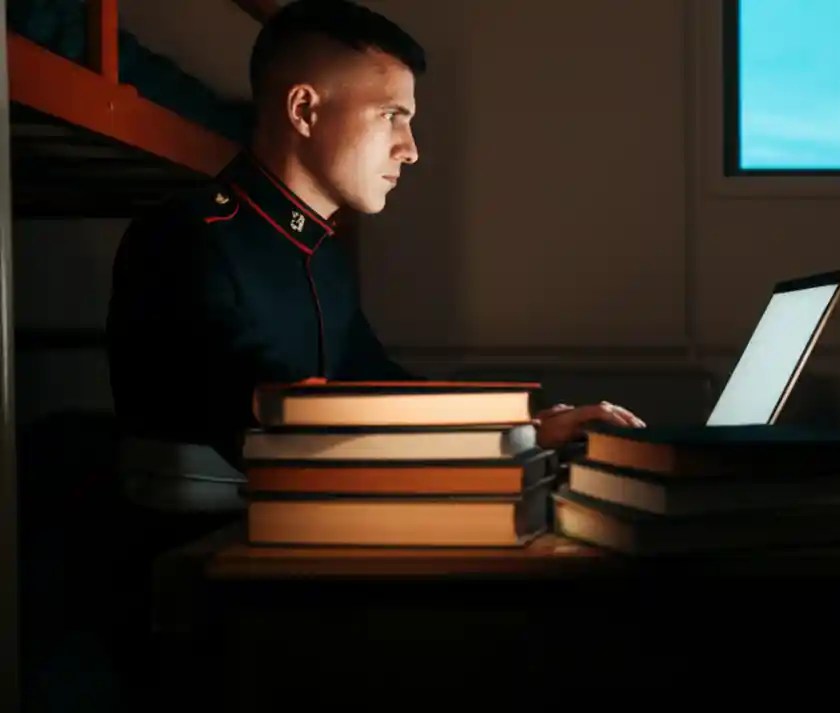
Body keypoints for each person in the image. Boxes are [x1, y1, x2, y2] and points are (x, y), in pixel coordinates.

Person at [106, 0, 644, 471]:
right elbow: (279, 421)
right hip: (209, 559)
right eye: (391, 116)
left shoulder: (321, 253)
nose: (410, 149)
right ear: (304, 110)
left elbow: (378, 383)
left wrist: (530, 418)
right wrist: (511, 435)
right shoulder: (188, 239)